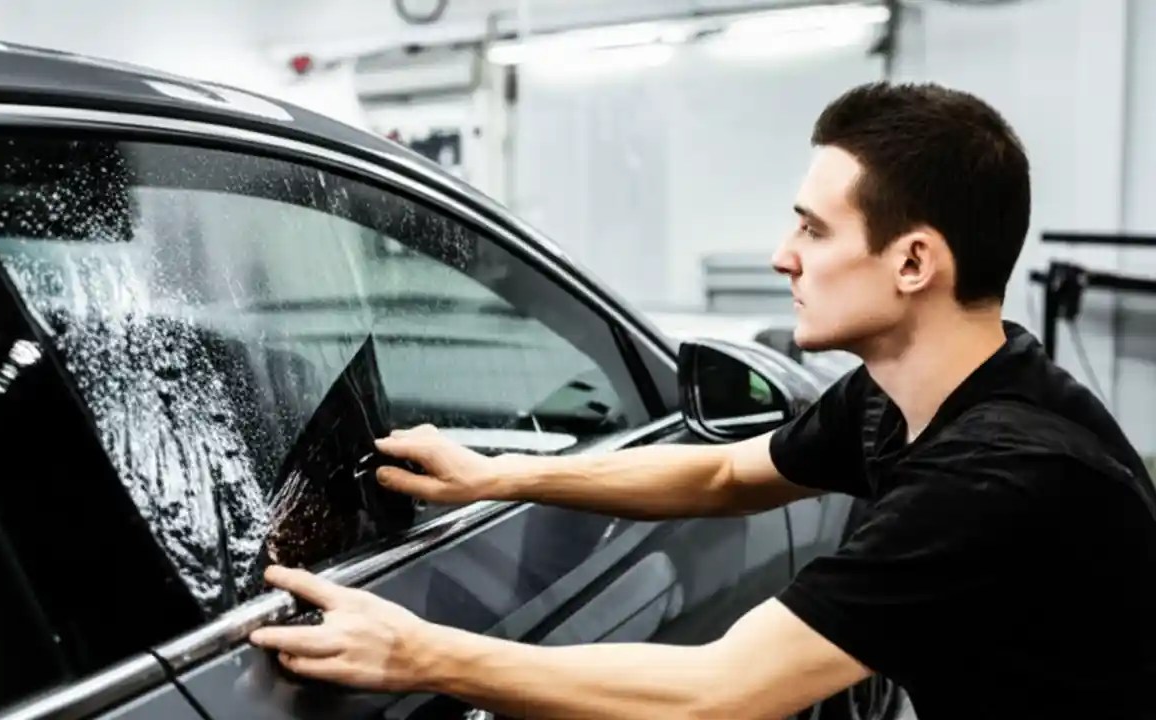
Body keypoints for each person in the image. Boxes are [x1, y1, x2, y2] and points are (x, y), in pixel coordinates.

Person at [247, 81, 1156, 719]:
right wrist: (499, 478)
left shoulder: (997, 477)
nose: (781, 254)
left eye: (812, 227)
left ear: (914, 262)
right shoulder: (905, 395)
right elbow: (725, 472)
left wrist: (422, 656)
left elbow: (716, 692)